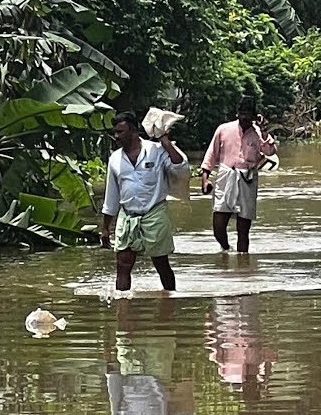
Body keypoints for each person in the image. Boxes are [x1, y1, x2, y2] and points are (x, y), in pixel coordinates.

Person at [101, 111, 190, 292]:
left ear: (134, 131)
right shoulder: (115, 159)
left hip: (154, 214)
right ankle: (123, 307)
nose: (116, 137)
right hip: (127, 216)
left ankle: (170, 301)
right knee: (123, 264)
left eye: (121, 132)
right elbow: (112, 196)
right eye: (115, 132)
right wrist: (105, 228)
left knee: (161, 264)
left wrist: (165, 141)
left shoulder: (156, 151)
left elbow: (181, 168)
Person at [200, 96, 277, 254]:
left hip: (247, 179)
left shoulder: (258, 134)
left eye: (249, 115)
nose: (245, 118)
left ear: (254, 116)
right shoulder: (223, 129)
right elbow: (211, 155)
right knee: (218, 226)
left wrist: (264, 131)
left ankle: (243, 264)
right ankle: (226, 249)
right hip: (225, 176)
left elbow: (270, 151)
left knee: (243, 230)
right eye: (242, 114)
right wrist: (205, 179)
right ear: (237, 113)